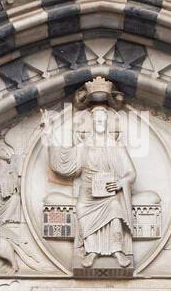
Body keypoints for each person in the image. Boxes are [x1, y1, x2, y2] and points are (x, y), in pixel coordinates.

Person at [42, 105, 136, 268]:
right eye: (97, 119)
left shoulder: (116, 146)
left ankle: (117, 250)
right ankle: (91, 250)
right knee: (81, 208)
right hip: (88, 193)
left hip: (109, 192)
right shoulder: (83, 146)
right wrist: (49, 134)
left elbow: (131, 173)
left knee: (115, 207)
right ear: (92, 123)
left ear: (107, 123)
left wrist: (121, 182)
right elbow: (63, 163)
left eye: (103, 120)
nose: (100, 122)